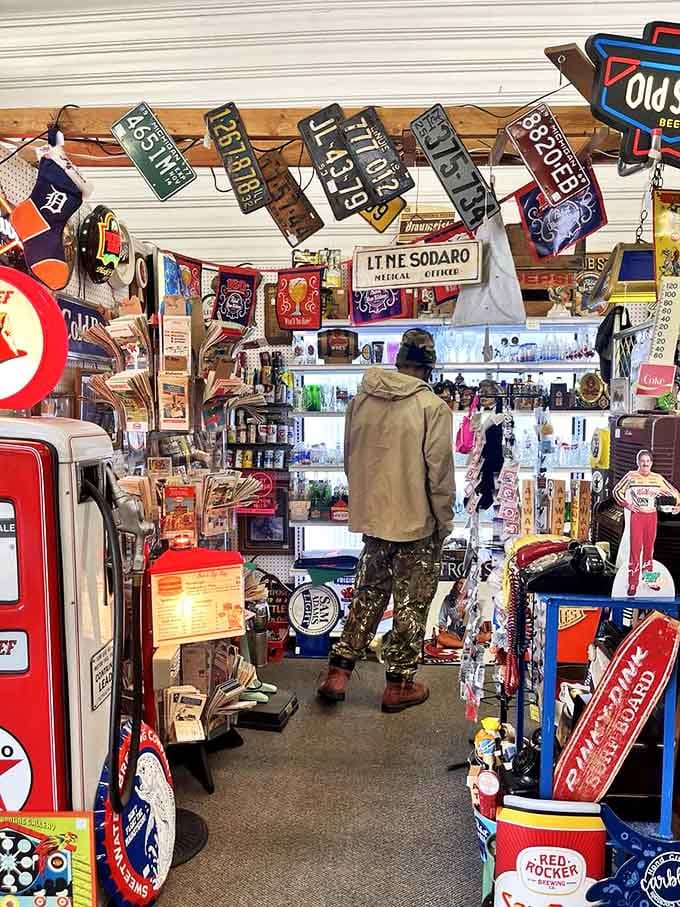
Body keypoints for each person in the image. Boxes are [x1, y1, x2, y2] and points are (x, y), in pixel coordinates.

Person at [317, 329, 455, 712]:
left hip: (373, 518)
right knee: (411, 602)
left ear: (398, 362)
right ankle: (398, 684)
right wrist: (444, 520)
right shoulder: (432, 407)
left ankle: (338, 673)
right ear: (428, 366)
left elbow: (349, 458)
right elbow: (439, 473)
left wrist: (367, 503)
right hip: (417, 522)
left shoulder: (361, 400)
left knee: (368, 593)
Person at [612, 449, 680, 596]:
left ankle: (649, 580)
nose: (645, 464)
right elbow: (616, 491)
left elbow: (674, 493)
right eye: (642, 461)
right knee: (635, 550)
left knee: (649, 550)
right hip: (637, 515)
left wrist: (677, 506)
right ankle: (632, 583)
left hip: (651, 516)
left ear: (651, 463)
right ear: (638, 462)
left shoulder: (657, 478)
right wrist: (627, 505)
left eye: (648, 461)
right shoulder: (631, 476)